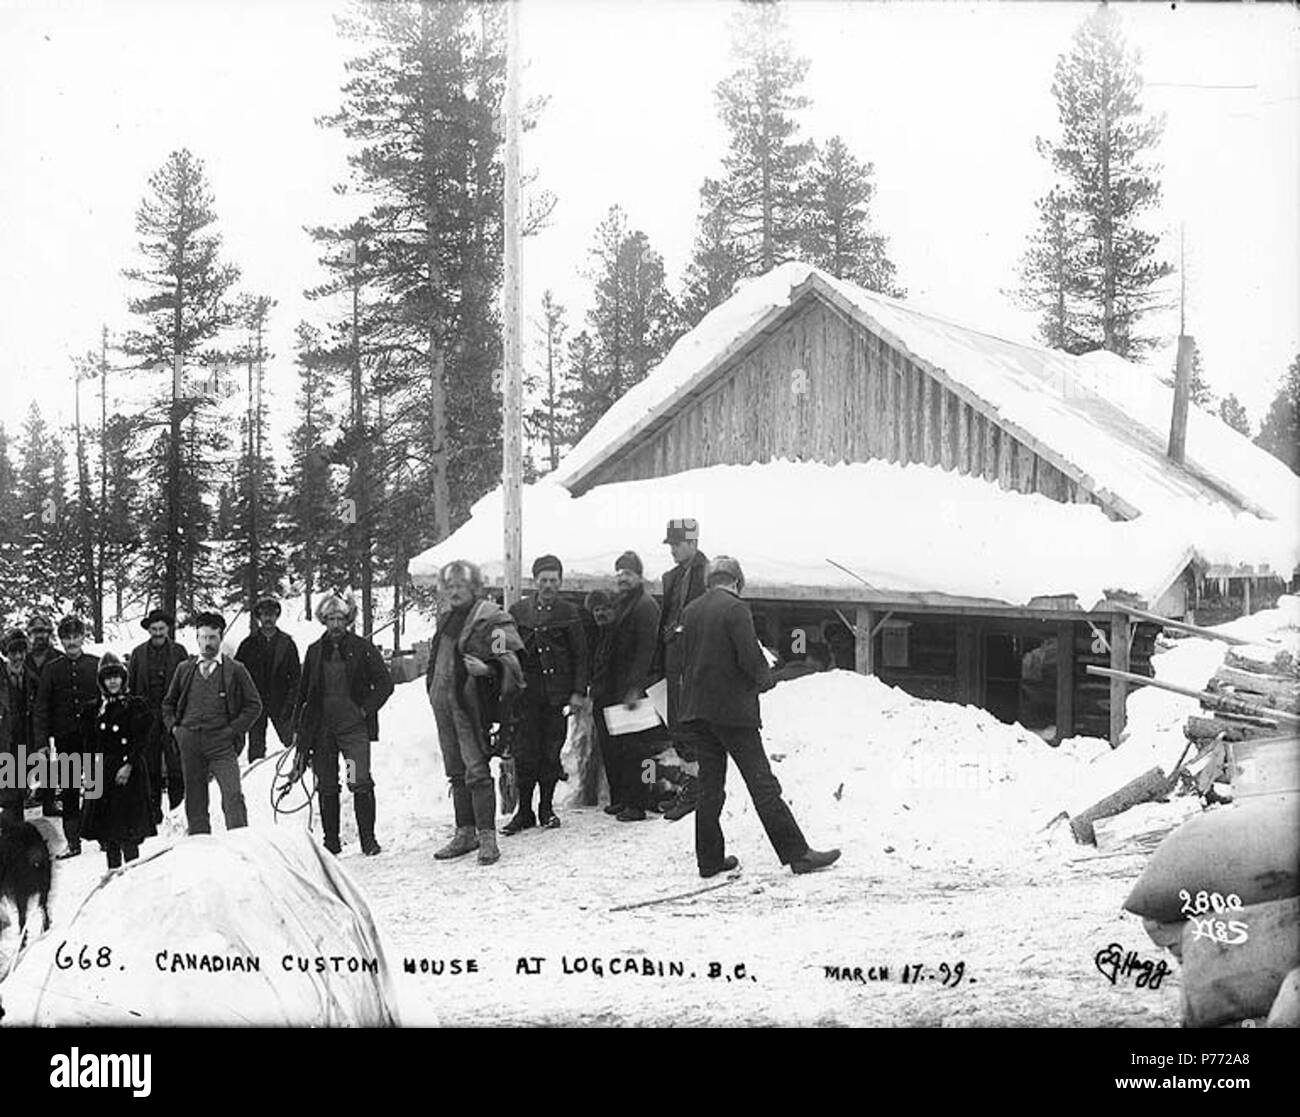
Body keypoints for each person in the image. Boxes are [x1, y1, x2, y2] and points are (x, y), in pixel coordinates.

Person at [678, 556, 841, 878]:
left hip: (699, 711)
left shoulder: (691, 610)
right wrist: (765, 679)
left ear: (711, 580)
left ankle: (709, 861)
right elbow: (749, 656)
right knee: (762, 784)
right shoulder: (736, 608)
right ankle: (797, 854)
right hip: (733, 713)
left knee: (710, 786)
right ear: (737, 582)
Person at [426, 560, 524, 865]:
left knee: (476, 770)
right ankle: (464, 833)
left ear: (474, 588)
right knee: (455, 771)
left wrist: (488, 668)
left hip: (469, 705)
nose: (454, 591)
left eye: (461, 586)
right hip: (442, 703)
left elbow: (510, 659)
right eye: (450, 586)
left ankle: (487, 839)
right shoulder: (445, 619)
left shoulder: (490, 618)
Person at [291, 592, 394, 856]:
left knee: (357, 780)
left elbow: (385, 684)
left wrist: (363, 710)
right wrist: (299, 730)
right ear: (323, 620)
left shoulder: (361, 648)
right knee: (326, 784)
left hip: (352, 732)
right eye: (330, 619)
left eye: (340, 619)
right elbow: (303, 694)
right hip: (323, 732)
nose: (336, 624)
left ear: (348, 620)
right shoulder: (314, 651)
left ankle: (367, 840)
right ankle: (331, 842)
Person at [503, 555, 588, 834]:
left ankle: (546, 809)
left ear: (560, 582)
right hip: (527, 695)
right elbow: (505, 650)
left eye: (554, 580)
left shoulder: (569, 612)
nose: (548, 585)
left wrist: (577, 692)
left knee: (550, 754)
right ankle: (524, 811)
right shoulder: (518, 611)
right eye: (544, 580)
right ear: (535, 581)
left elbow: (580, 655)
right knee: (525, 754)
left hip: (556, 696)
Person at [161, 612, 262, 836]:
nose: (208, 643)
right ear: (197, 638)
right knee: (195, 799)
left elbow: (254, 705)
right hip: (190, 741)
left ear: (221, 637)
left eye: (213, 637)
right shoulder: (184, 669)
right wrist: (176, 730)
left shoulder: (235, 670)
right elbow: (168, 704)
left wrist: (232, 730)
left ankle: (240, 844)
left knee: (233, 794)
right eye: (203, 637)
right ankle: (200, 848)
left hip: (221, 743)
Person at [590, 551, 662, 823]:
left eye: (628, 573)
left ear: (639, 577)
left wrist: (635, 687)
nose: (622, 578)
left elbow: (647, 650)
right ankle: (623, 799)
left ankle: (640, 803)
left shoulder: (645, 606)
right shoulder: (622, 604)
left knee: (637, 750)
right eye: (619, 573)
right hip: (615, 689)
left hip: (633, 690)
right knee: (620, 748)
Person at [654, 518, 710, 822]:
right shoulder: (673, 577)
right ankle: (689, 786)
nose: (673, 550)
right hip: (672, 659)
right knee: (677, 724)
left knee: (691, 726)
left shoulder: (708, 575)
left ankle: (697, 791)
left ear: (693, 543)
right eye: (671, 545)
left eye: (677, 544)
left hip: (693, 659)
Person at [78, 653, 156, 871]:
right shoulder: (93, 710)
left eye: (116, 677)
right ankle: (113, 875)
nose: (113, 681)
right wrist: (88, 775)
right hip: (103, 774)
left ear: (124, 679)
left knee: (129, 833)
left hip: (128, 775)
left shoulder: (135, 706)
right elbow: (90, 744)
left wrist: (128, 764)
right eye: (108, 677)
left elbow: (141, 740)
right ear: (101, 681)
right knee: (109, 834)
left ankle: (133, 877)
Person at [34, 615, 100, 859]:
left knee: (95, 786)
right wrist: (42, 743)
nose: (72, 642)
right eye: (67, 638)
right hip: (66, 737)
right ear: (60, 640)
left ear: (83, 637)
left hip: (93, 737)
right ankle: (73, 842)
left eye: (76, 637)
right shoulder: (52, 670)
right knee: (70, 789)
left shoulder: (96, 664)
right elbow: (41, 709)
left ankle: (101, 835)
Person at [126, 608, 188, 823]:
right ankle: (153, 813)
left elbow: (186, 686)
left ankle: (177, 810)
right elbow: (132, 687)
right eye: (154, 629)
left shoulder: (179, 652)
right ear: (149, 630)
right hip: (148, 717)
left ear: (168, 629)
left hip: (172, 716)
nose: (158, 633)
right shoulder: (138, 654)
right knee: (149, 765)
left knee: (175, 765)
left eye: (162, 628)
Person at [235, 596, 301, 762]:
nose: (268, 618)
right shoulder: (247, 645)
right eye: (264, 614)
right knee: (256, 751)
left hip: (282, 703)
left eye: (271, 614)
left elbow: (296, 677)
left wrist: (291, 702)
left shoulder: (287, 644)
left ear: (277, 616)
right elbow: (237, 676)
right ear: (258, 617)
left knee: (293, 745)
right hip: (256, 704)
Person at [23, 613, 62, 817]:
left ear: (49, 634)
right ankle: (23, 795)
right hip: (26, 717)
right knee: (23, 755)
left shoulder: (58, 657)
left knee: (50, 757)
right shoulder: (23, 658)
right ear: (29, 634)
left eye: (43, 631)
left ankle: (49, 800)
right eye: (36, 632)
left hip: (52, 715)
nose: (39, 636)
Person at [1, 629, 32, 823]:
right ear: (6, 653)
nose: (18, 657)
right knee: (7, 796)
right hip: (4, 742)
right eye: (13, 652)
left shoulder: (32, 679)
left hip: (24, 743)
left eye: (22, 651)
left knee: (20, 792)